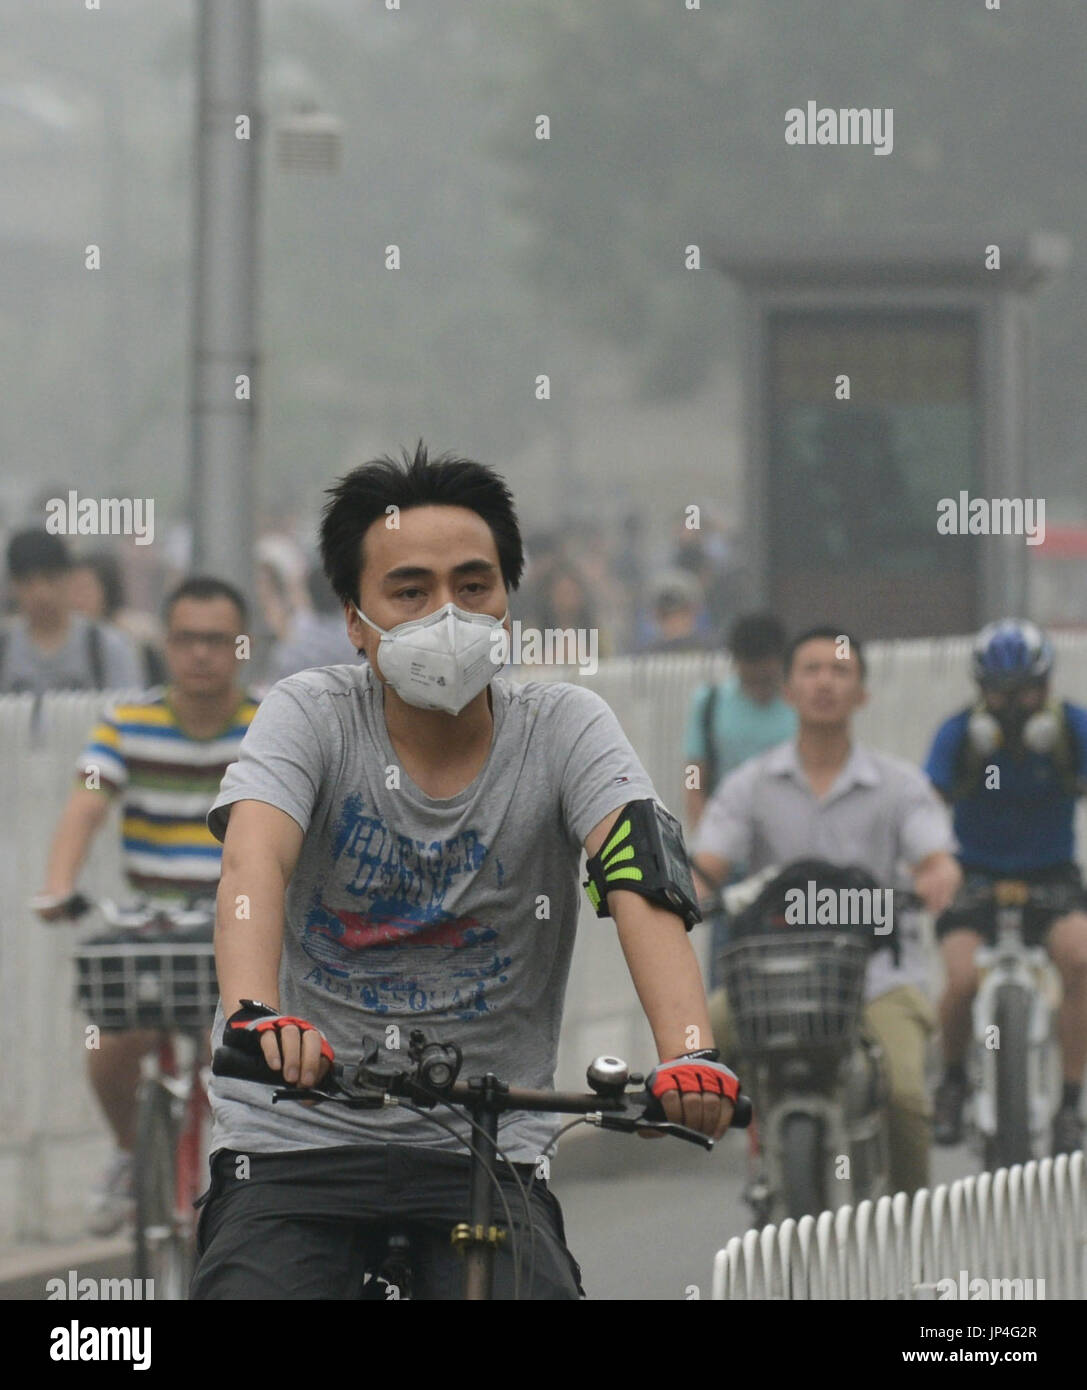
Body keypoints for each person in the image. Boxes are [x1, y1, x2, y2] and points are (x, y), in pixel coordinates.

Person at [190, 441, 741, 1301]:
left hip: (483, 1154)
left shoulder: (566, 727)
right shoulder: (309, 715)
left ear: (508, 601)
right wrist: (256, 1015)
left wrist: (689, 1055)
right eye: (409, 590)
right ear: (353, 618)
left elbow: (637, 876)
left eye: (473, 586)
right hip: (294, 1148)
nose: (447, 612)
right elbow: (253, 856)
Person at [691, 627, 962, 1197]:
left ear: (862, 693)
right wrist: (684, 893)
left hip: (877, 981)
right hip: (771, 982)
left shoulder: (899, 785)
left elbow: (934, 855)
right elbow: (708, 865)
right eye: (811, 670)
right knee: (693, 1048)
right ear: (788, 688)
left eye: (840, 671)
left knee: (908, 1098)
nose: (825, 682)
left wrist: (937, 875)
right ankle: (757, 1159)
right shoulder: (751, 785)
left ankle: (911, 1237)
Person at [33, 577, 260, 1235]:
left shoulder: (268, 727)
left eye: (216, 640)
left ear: (241, 647)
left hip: (239, 924)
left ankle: (251, 1171)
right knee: (109, 1036)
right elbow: (86, 803)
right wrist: (57, 884)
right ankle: (130, 1153)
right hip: (153, 925)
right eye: (186, 639)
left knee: (242, 1052)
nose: (200, 655)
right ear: (166, 644)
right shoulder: (127, 723)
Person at [924, 619, 1087, 1156]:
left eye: (1026, 692)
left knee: (1080, 962)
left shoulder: (1071, 730)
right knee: (963, 978)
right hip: (974, 876)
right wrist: (929, 866)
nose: (1014, 705)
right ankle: (951, 1080)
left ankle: (1069, 1102)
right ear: (981, 689)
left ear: (1046, 686)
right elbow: (924, 809)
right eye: (1000, 692)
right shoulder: (956, 735)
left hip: (1051, 875)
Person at [684, 613, 798, 829]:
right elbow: (694, 772)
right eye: (751, 680)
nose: (759, 688)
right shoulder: (710, 703)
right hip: (728, 831)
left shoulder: (803, 704)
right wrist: (701, 829)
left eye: (766, 680)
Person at [0, 531, 143, 695]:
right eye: (28, 582)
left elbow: (131, 709)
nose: (41, 593)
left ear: (68, 578)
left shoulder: (107, 647)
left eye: (50, 579)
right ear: (12, 586)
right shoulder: (4, 648)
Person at [68, 550, 168, 687]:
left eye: (83, 589)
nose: (76, 599)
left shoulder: (134, 635)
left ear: (107, 590)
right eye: (71, 589)